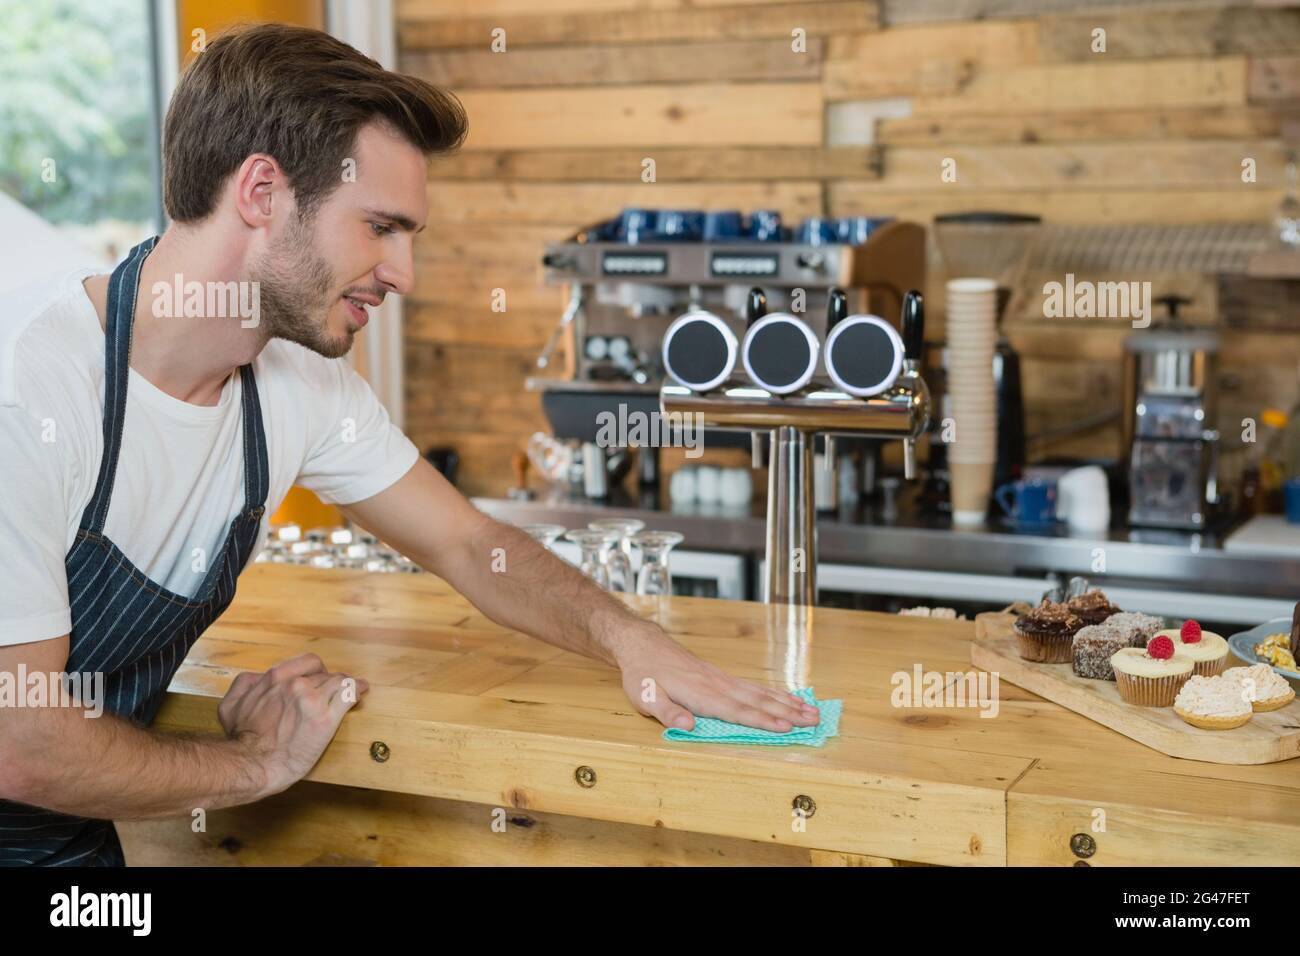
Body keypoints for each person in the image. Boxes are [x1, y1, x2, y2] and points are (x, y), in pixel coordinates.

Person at [0, 23, 818, 866]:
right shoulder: (27, 385)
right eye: (380, 228)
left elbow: (470, 544)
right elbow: (21, 743)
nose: (403, 274)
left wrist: (630, 640)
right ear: (260, 193)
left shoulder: (295, 384)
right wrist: (254, 763)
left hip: (68, 839)